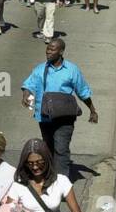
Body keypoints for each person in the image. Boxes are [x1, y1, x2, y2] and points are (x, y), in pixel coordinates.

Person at [21, 38, 98, 177]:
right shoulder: (40, 69)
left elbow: (83, 91)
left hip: (65, 117)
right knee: (48, 147)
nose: (48, 51)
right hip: (45, 116)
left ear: (61, 51)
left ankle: (61, 182)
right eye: (48, 48)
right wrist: (26, 94)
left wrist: (92, 110)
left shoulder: (72, 70)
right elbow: (29, 84)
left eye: (52, 49)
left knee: (61, 148)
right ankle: (49, 177)